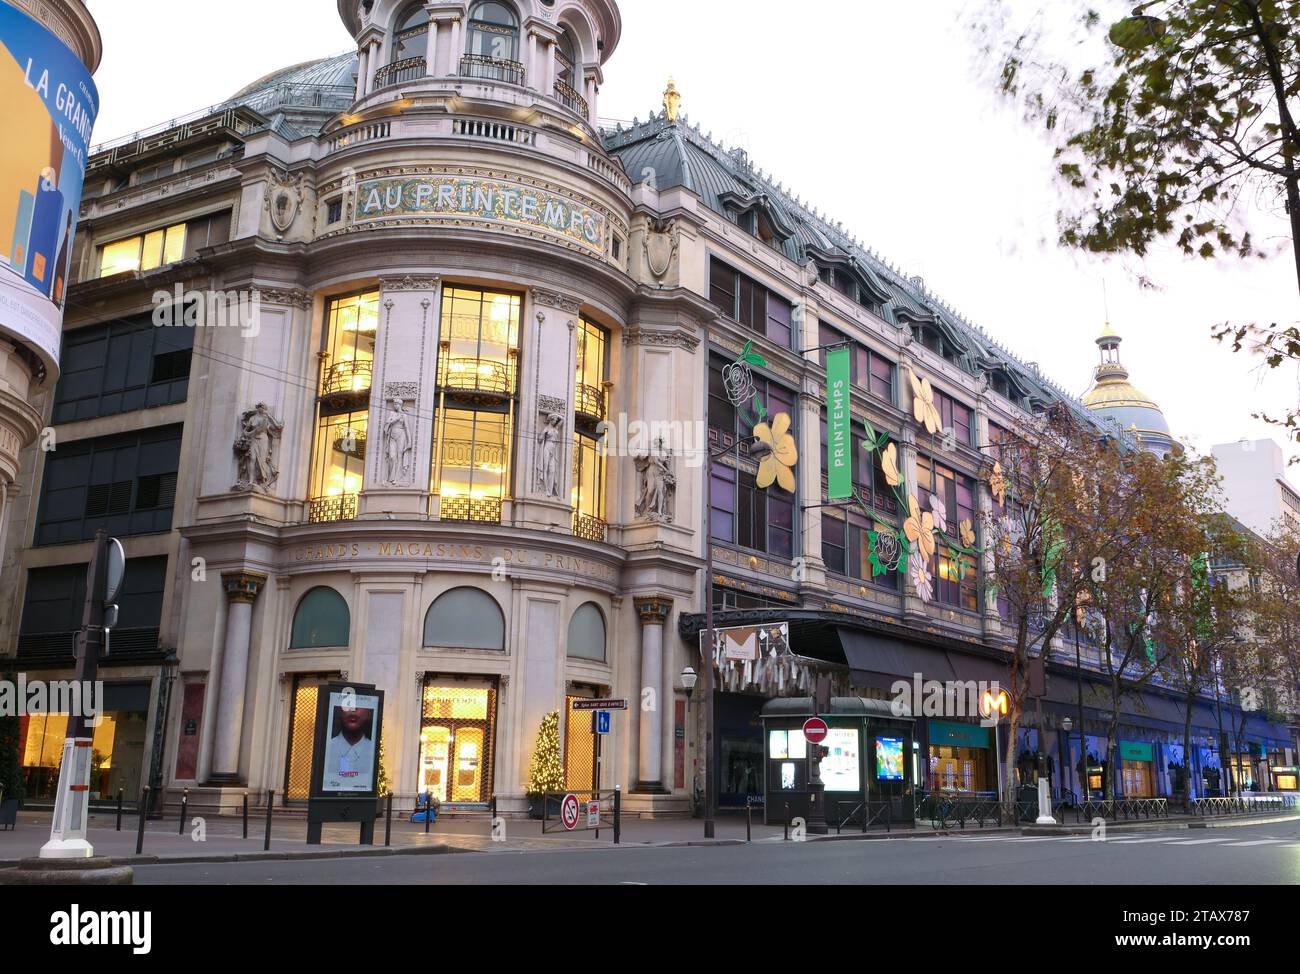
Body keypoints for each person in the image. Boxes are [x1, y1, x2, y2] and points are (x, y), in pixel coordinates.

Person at [322, 703, 375, 792]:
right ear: (339, 711)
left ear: (369, 712)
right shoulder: (327, 747)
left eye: (359, 703)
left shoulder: (373, 750)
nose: (353, 709)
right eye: (348, 703)